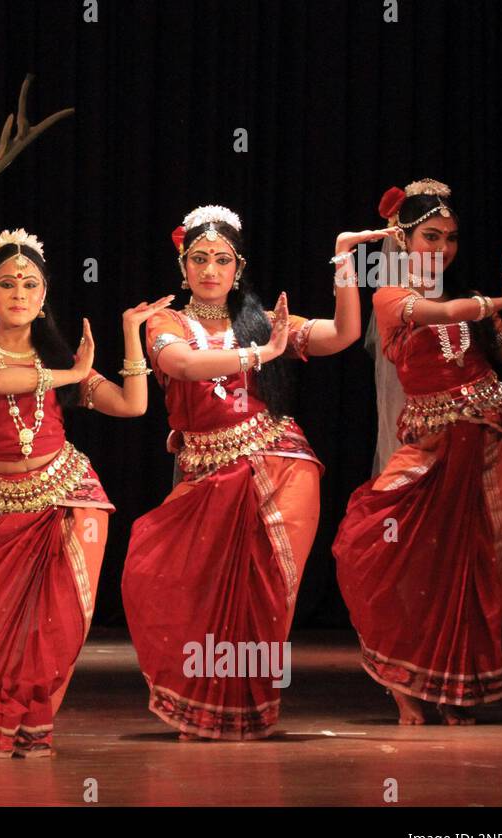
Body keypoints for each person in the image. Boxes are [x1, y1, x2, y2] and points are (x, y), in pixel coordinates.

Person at [122, 204, 388, 740]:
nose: (211, 270)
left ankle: (247, 705)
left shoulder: (264, 320)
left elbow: (341, 334)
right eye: (200, 259)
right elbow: (181, 366)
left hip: (280, 466)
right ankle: (201, 702)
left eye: (222, 260)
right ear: (184, 264)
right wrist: (260, 354)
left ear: (238, 267)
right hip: (203, 473)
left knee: (264, 594)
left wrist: (342, 261)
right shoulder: (166, 321)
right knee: (177, 586)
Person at [0, 227, 163, 758]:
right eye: (7, 284)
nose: (18, 293)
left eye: (30, 285)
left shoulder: (66, 363)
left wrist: (130, 332)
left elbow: (132, 405)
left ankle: (33, 724)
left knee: (56, 620)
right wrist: (70, 373)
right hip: (1, 501)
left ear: (44, 298)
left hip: (69, 498)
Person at [332, 179, 502, 725]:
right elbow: (437, 314)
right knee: (403, 555)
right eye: (431, 236)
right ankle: (406, 686)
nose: (443, 248)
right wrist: (497, 301)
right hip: (430, 444)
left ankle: (459, 685)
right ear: (403, 240)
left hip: (495, 435)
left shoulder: (474, 306)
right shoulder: (390, 298)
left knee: (487, 564)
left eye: (451, 238)